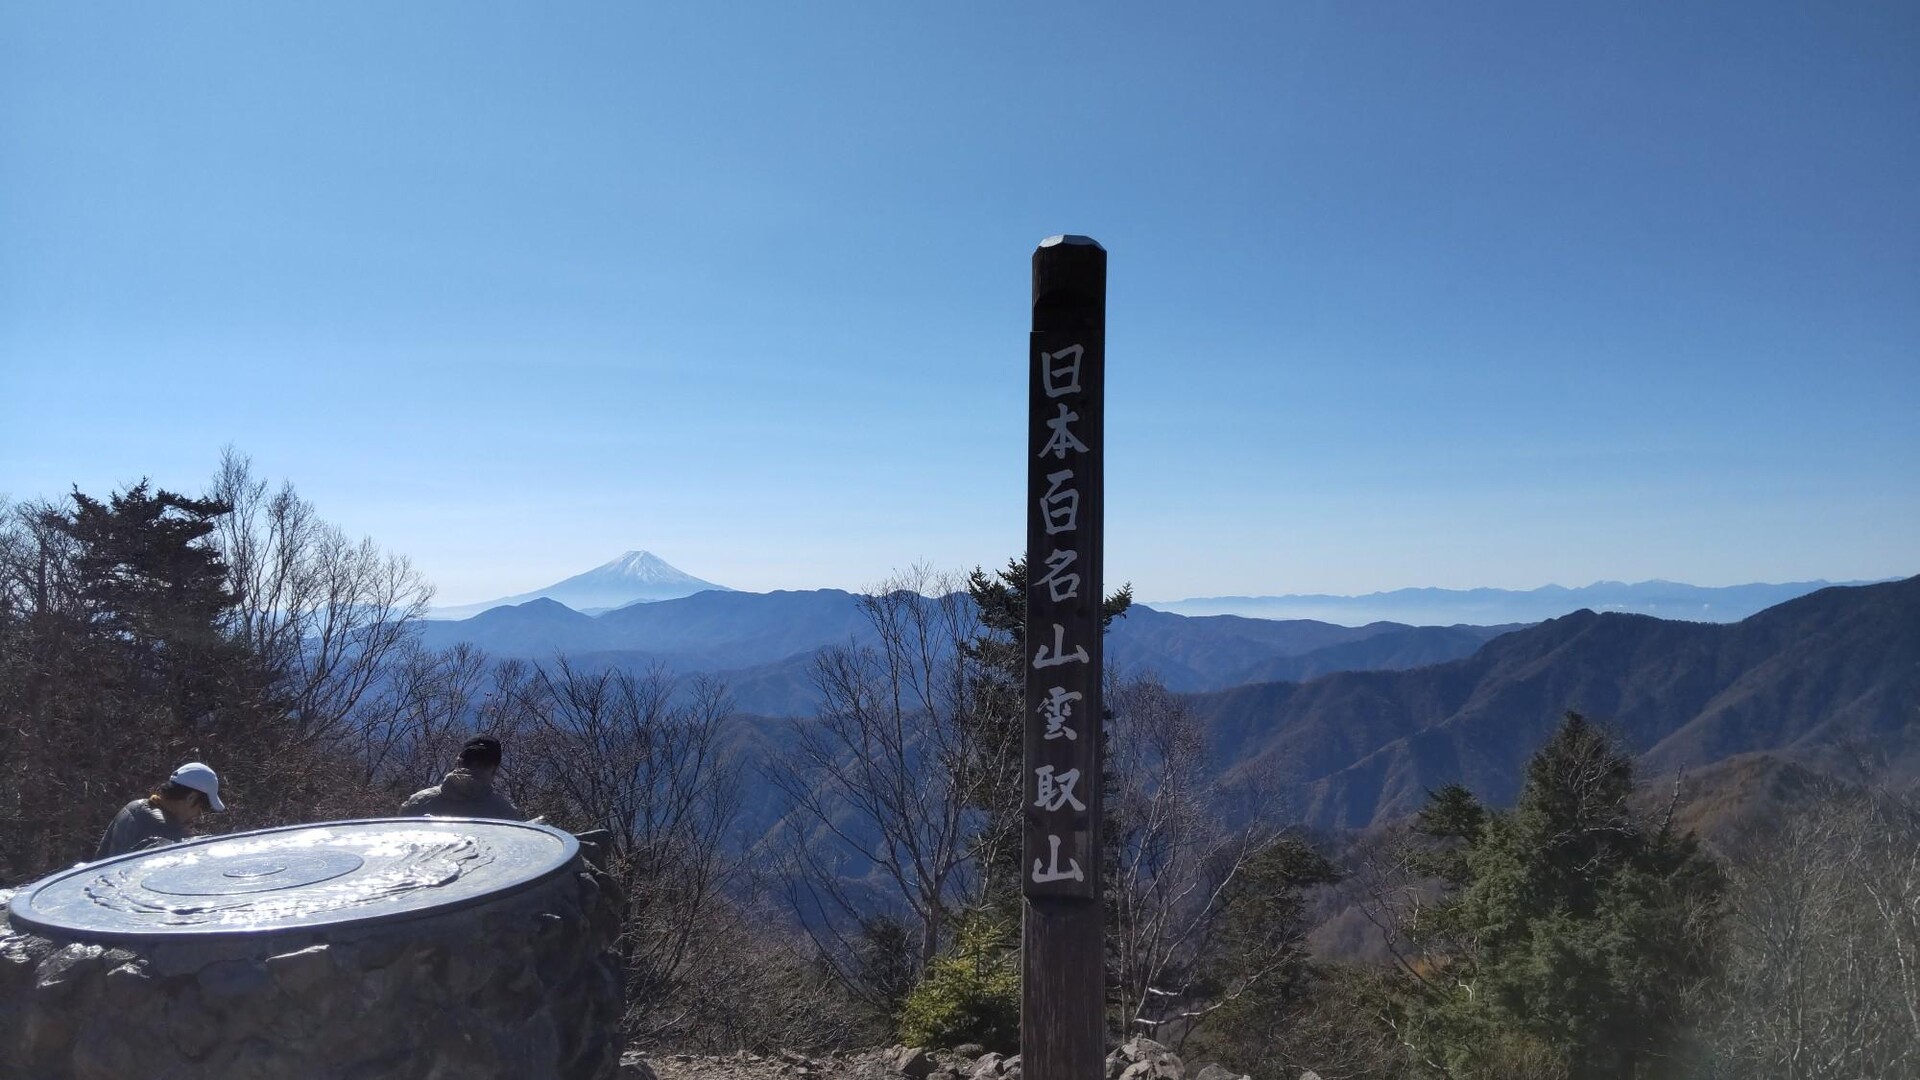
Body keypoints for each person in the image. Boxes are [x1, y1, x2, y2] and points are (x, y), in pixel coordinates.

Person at [95, 762, 226, 859]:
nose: (198, 815)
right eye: (202, 808)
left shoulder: (135, 806)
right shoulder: (165, 830)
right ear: (191, 798)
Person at [399, 735, 527, 820]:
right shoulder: (506, 814)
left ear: (458, 763)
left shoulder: (418, 802)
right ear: (495, 769)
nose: (476, 766)